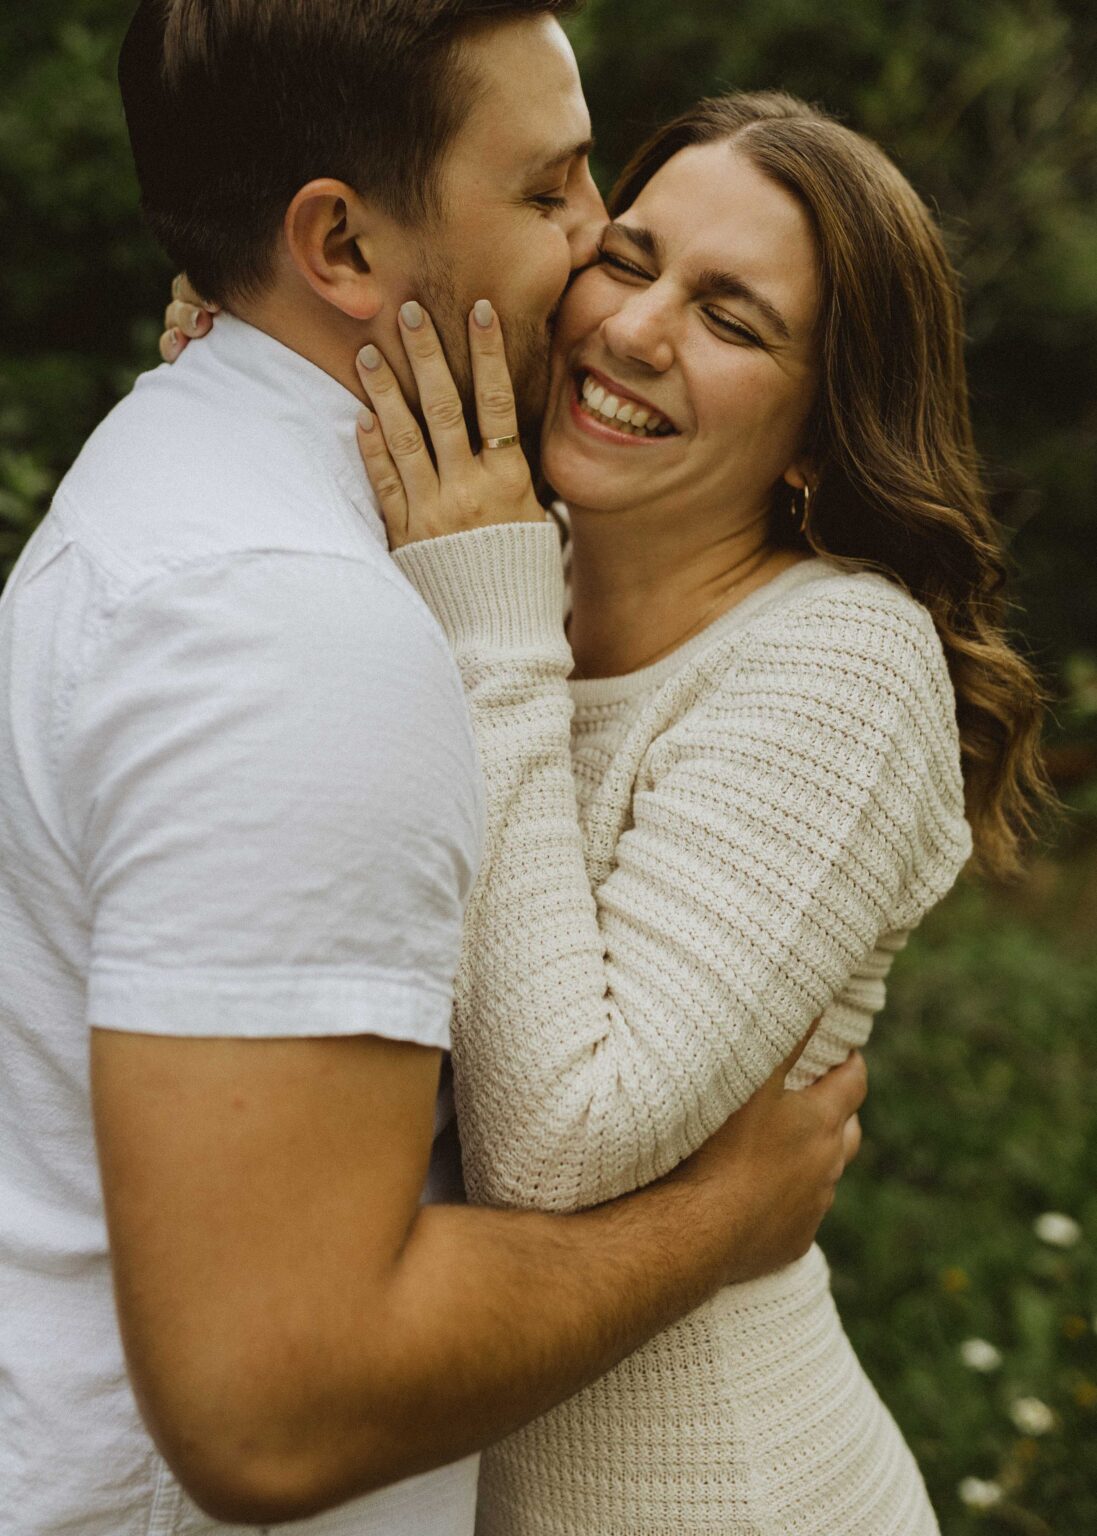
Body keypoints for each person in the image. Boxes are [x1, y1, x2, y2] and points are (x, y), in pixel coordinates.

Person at [0, 8, 871, 1536]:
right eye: (551, 195)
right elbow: (274, 1405)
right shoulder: (297, 625)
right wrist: (725, 1213)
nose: (600, 260)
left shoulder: (254, 508)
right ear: (335, 248)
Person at [344, 92, 1049, 1534]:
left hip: (730, 1496)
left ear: (816, 430)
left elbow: (558, 1142)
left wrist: (486, 619)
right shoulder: (500, 559)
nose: (635, 329)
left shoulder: (839, 661)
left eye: (733, 320)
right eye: (629, 258)